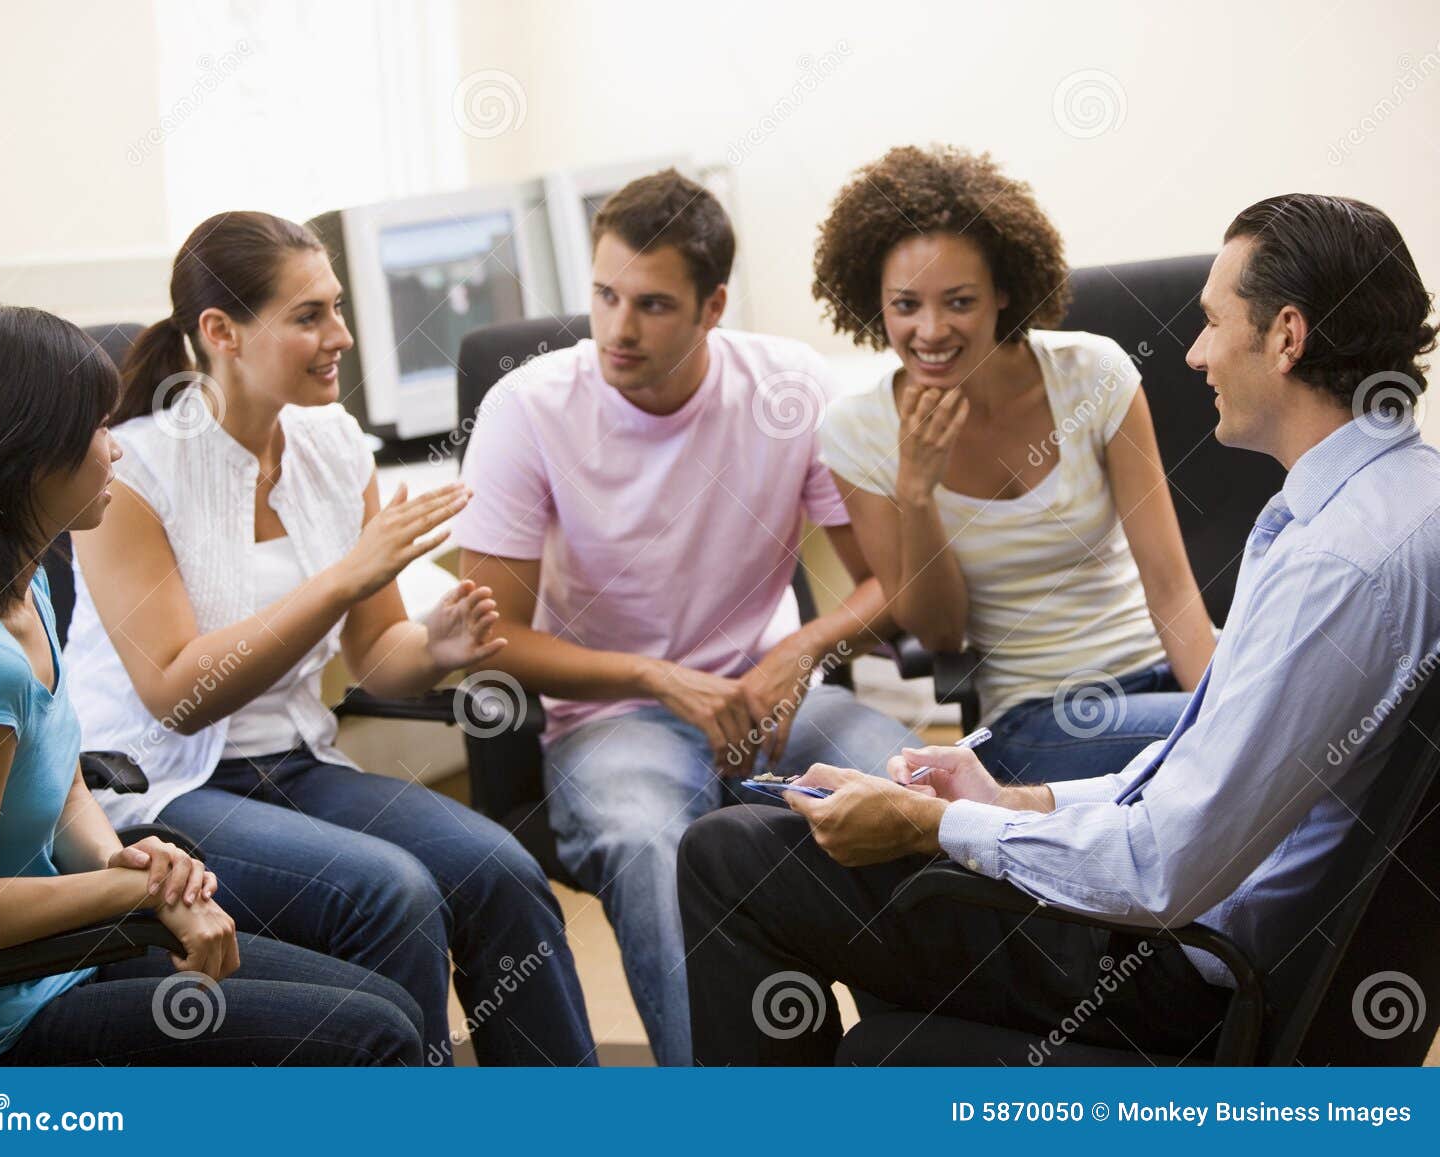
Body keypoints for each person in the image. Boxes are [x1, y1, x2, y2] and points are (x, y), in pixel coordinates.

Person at [681, 193, 1440, 1065]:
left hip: (1178, 976)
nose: (1194, 354)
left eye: (1211, 323)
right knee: (790, 868)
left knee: (727, 855)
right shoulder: (1399, 502)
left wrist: (936, 827)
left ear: (1288, 336)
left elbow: (1164, 862)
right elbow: (1200, 771)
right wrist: (1016, 799)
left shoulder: (1336, 564)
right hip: (1185, 911)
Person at [62, 211, 594, 1066]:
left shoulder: (334, 443)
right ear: (220, 332)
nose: (341, 336)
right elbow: (175, 693)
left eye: (337, 308)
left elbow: (380, 652)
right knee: (394, 893)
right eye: (309, 316)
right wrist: (342, 576)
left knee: (500, 870)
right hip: (162, 787)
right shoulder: (134, 469)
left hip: (298, 765)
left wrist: (439, 646)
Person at [0, 304, 423, 1066]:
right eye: (97, 431)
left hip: (56, 961)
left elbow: (62, 788)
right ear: (28, 459)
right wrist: (143, 893)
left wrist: (124, 859)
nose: (116, 453)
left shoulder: (24, 593)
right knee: (374, 1037)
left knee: (390, 1005)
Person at [453, 169, 919, 1066]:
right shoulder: (530, 407)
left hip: (768, 697)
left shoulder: (788, 386)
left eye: (653, 305)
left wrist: (800, 649)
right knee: (648, 842)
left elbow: (885, 587)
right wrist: (654, 675)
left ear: (712, 308)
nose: (618, 329)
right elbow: (495, 636)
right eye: (604, 295)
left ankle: (925, 1074)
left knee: (906, 783)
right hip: (616, 717)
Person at [813, 145, 1215, 783]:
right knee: (1244, 744)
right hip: (1036, 718)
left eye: (960, 301)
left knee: (1286, 721)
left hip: (1161, 675)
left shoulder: (1094, 374)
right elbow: (940, 635)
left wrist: (1222, 705)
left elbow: (1170, 588)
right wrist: (916, 492)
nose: (931, 330)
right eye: (906, 305)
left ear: (1004, 290)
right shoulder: (856, 430)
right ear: (874, 302)